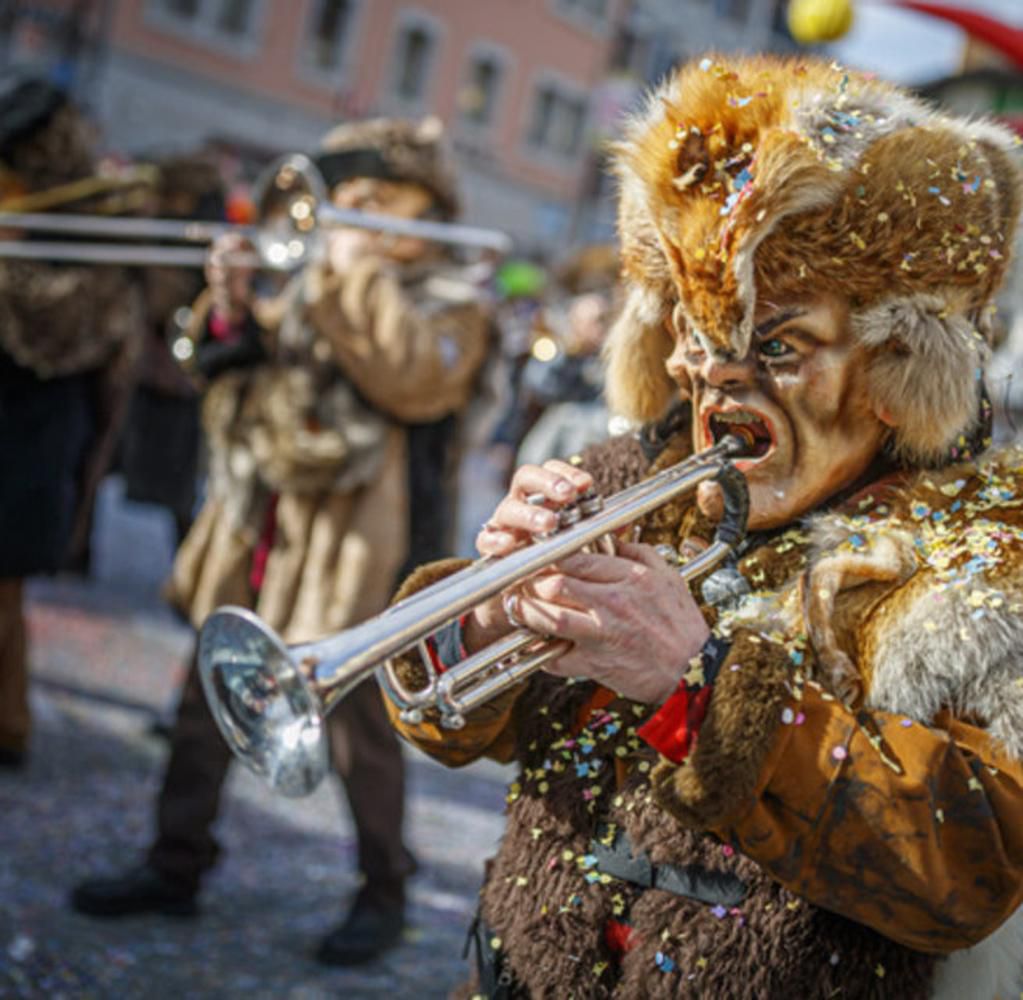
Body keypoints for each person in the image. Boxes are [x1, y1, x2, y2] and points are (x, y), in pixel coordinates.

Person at [383, 55, 1023, 997]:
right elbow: (446, 723)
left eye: (776, 344)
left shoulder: (985, 557)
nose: (714, 373)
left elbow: (966, 874)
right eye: (696, 328)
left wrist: (699, 691)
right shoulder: (623, 478)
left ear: (897, 371)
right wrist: (486, 622)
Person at [71, 116, 495, 966]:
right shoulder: (310, 275)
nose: (352, 215)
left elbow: (410, 377)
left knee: (359, 733)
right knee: (206, 698)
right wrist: (228, 306)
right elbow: (232, 369)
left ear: (424, 205)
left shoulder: (455, 298)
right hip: (263, 518)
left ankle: (384, 888)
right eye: (348, 201)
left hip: (356, 543)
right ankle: (175, 860)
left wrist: (353, 268)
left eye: (376, 201)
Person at [0, 77, 143, 768]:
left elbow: (76, 328)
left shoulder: (93, 223)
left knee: (5, 583)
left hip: (34, 432)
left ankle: (10, 724)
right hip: (25, 423)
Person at [516, 244, 619, 467]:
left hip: (592, 445)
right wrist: (572, 351)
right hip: (553, 445)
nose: (597, 328)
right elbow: (539, 385)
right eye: (592, 321)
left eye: (601, 320)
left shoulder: (611, 358)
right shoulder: (563, 349)